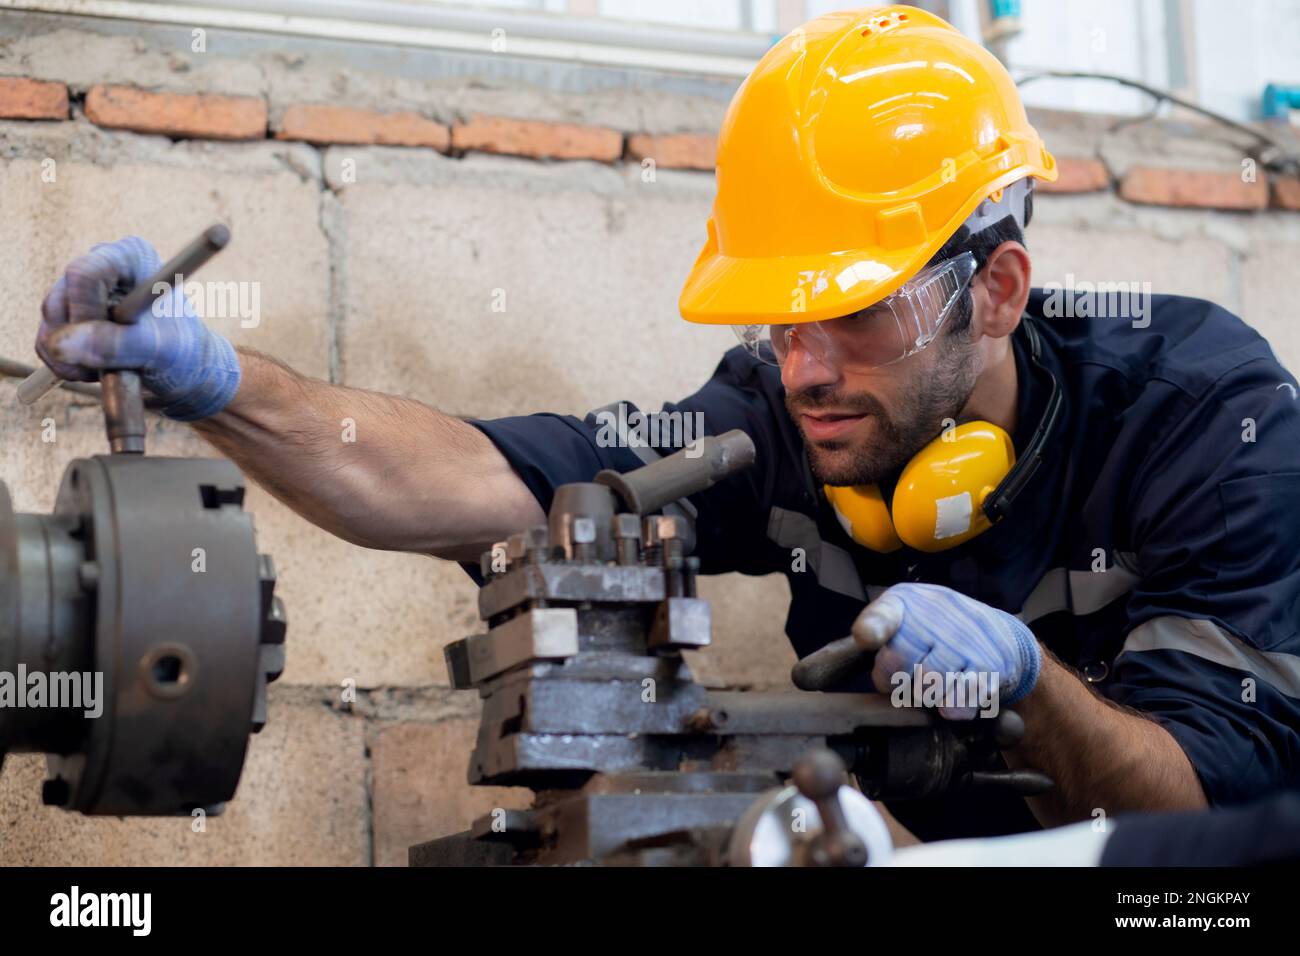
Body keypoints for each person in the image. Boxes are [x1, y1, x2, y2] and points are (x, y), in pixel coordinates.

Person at [32, 6, 1300, 842]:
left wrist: (1031, 692)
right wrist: (215, 382)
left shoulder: (1202, 419)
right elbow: (481, 480)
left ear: (998, 289)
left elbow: (1210, 815)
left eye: (848, 314)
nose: (803, 369)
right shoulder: (779, 419)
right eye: (776, 321)